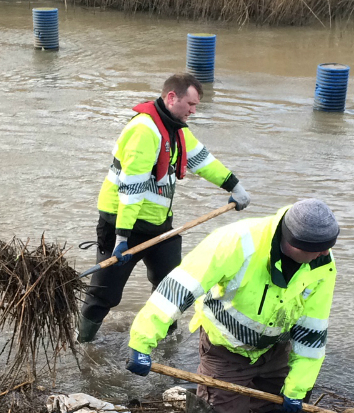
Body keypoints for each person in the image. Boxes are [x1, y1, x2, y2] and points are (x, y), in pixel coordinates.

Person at [125, 199, 339, 413]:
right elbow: (178, 289)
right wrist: (142, 341)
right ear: (292, 242)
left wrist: (298, 387)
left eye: (328, 247)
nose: (326, 254)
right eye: (318, 249)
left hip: (276, 349)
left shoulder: (322, 264)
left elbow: (313, 331)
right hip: (224, 347)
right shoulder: (237, 242)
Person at [77, 73, 251, 343]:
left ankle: (165, 342)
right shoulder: (144, 131)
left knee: (171, 288)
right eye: (190, 105)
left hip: (159, 226)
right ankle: (83, 342)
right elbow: (131, 190)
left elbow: (202, 160)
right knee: (105, 293)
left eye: (196, 106)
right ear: (172, 98)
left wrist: (234, 186)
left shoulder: (177, 130)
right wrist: (122, 238)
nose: (193, 111)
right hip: (121, 224)